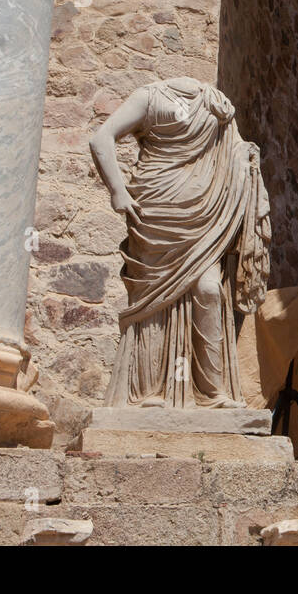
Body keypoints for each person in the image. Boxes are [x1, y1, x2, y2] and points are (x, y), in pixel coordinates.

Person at [89, 76, 270, 408]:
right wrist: (117, 190)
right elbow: (102, 137)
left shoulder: (215, 102)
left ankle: (213, 391)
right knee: (153, 303)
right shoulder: (147, 97)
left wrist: (246, 162)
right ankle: (147, 392)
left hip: (203, 213)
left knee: (210, 290)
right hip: (155, 208)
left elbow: (234, 151)